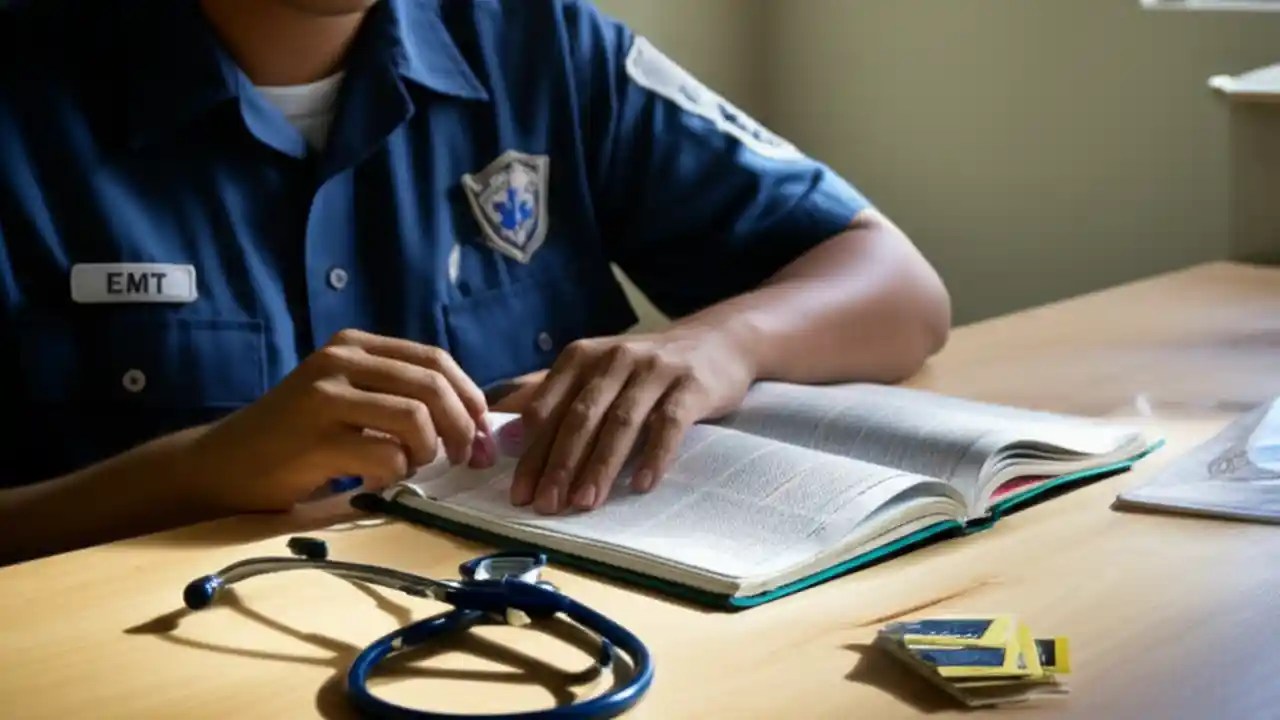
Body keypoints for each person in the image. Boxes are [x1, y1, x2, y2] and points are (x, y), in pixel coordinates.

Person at [0, 0, 951, 565]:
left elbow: (898, 288)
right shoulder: (26, 96)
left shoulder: (539, 42)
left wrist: (718, 343)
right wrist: (195, 475)